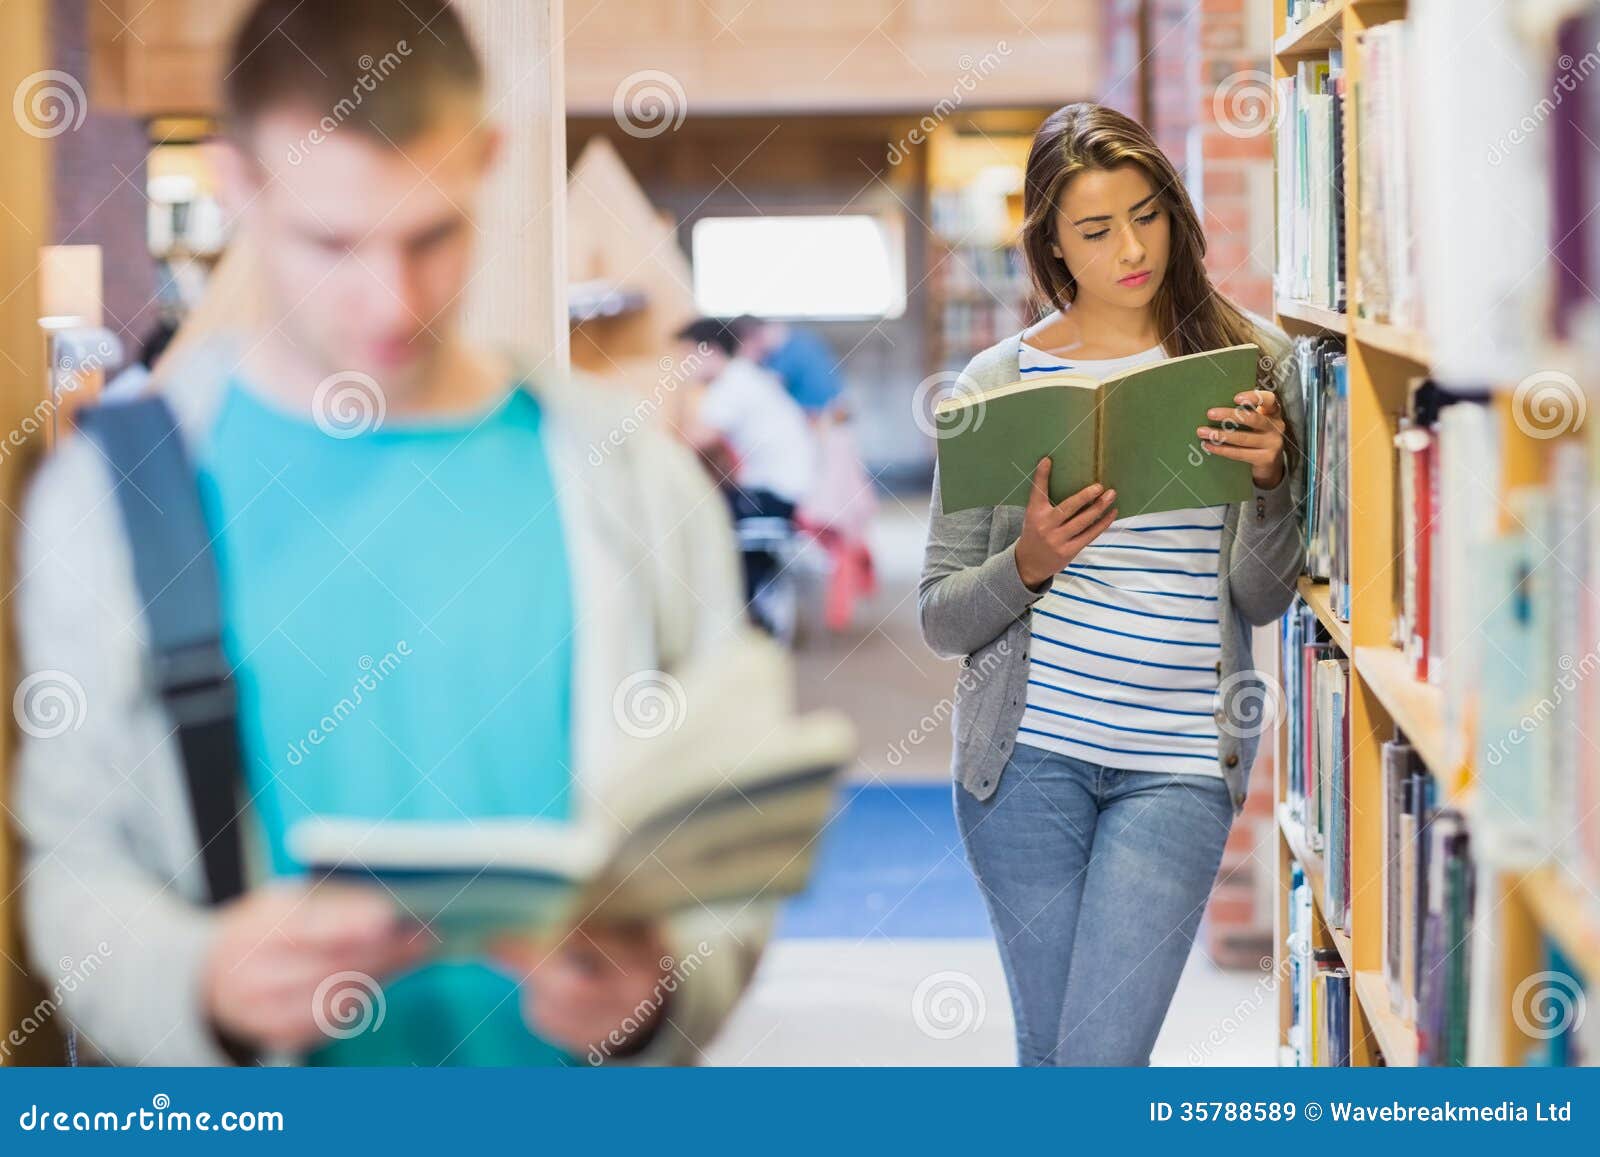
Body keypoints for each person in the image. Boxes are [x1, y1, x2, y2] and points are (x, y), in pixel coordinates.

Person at [15, 0, 765, 1067]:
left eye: (431, 234)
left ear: (488, 162)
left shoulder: (636, 477)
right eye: (331, 242)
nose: (389, 298)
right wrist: (197, 979)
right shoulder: (110, 496)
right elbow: (76, 861)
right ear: (237, 186)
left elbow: (726, 833)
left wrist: (663, 987)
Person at [918, 102, 1304, 1067]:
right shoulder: (994, 382)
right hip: (1027, 762)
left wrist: (1270, 484)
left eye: (1148, 213)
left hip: (1178, 762)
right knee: (1048, 1052)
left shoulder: (1258, 363)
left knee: (1099, 1058)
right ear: (1051, 243)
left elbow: (1262, 600)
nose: (1133, 248)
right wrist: (1029, 562)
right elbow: (937, 612)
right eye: (1095, 229)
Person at [676, 318, 815, 624]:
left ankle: (741, 613)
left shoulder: (731, 386)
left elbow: (688, 442)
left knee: (691, 516)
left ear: (709, 352)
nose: (681, 367)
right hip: (784, 488)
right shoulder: (746, 377)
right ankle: (749, 604)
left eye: (686, 357)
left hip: (774, 495)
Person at [730, 315, 844, 416]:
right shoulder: (801, 337)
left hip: (824, 417)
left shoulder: (785, 352)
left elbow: (768, 390)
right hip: (831, 410)